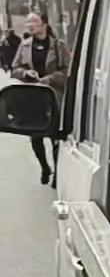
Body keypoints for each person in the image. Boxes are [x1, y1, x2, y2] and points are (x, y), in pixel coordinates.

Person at [10, 11, 67, 185]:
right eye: (28, 22)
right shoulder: (25, 45)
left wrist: (50, 78)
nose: (29, 25)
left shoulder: (58, 45)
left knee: (55, 136)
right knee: (35, 135)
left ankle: (58, 173)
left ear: (44, 24)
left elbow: (67, 70)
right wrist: (26, 73)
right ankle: (44, 167)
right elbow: (14, 69)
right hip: (33, 96)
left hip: (52, 95)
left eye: (33, 21)